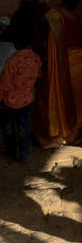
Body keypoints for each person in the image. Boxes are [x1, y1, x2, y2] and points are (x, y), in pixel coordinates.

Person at [32, 0, 82, 148]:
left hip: (65, 61)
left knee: (54, 93)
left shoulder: (55, 16)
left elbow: (49, 48)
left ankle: (58, 133)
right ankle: (76, 132)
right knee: (81, 99)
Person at [0, 11, 43, 162]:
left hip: (9, 103)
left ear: (15, 44)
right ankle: (24, 154)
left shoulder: (12, 62)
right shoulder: (36, 59)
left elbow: (4, 84)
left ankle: (10, 150)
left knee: (7, 127)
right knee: (24, 127)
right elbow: (39, 75)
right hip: (27, 101)